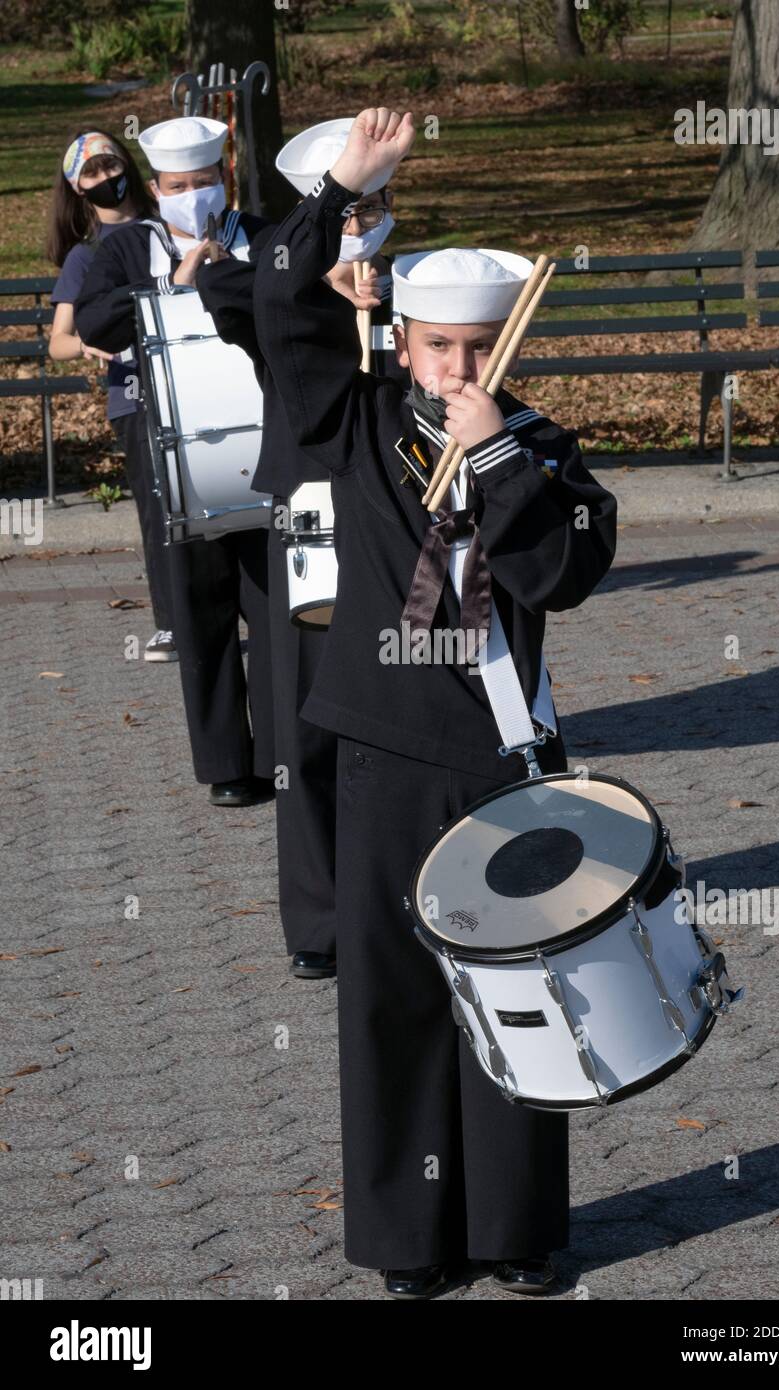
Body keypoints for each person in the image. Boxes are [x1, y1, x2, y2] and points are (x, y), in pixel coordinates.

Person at [253, 107, 618, 1297]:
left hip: (501, 754)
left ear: (506, 345)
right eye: (438, 349)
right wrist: (336, 198)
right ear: (401, 343)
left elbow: (567, 565)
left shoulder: (542, 450)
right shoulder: (350, 426)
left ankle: (513, 1227)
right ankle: (409, 1237)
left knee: (514, 995)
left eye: (479, 348)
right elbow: (280, 312)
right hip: (380, 749)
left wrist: (504, 456)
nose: (460, 370)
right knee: (395, 996)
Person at [198, 117, 408, 978]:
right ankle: (321, 924)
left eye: (378, 202)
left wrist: (387, 301)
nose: (367, 221)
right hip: (315, 519)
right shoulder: (274, 283)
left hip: (398, 522)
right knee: (311, 725)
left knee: (399, 713)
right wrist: (325, 244)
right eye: (353, 206)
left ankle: (407, 895)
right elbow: (231, 293)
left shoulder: (409, 284)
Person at [74, 116, 275, 807]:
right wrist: (171, 285)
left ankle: (281, 753)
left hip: (265, 441)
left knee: (274, 603)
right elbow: (93, 322)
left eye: (205, 181)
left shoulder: (260, 234)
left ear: (224, 177)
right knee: (199, 607)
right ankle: (227, 765)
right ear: (156, 188)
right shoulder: (130, 244)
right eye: (178, 186)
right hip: (172, 445)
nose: (193, 195)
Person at [47, 130, 174, 661]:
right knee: (160, 513)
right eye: (92, 173)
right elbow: (59, 342)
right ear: (78, 188)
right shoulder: (85, 255)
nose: (105, 179)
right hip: (135, 398)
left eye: (111, 165)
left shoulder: (171, 227)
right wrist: (92, 346)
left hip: (196, 392)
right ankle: (172, 623)